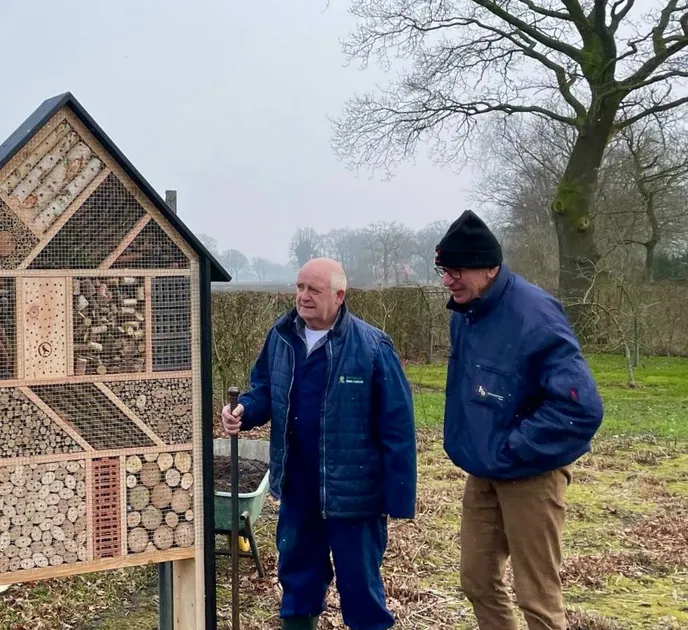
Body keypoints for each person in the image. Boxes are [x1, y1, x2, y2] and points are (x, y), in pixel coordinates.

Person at [221, 257, 417, 630]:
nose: (303, 296)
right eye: (299, 287)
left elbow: (398, 429)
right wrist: (244, 409)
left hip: (353, 495)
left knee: (361, 591)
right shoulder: (281, 338)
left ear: (339, 295)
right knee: (298, 581)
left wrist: (399, 497)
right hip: (299, 488)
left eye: (314, 290)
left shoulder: (373, 348)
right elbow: (265, 389)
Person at [435, 210, 603, 630]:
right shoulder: (468, 311)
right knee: (476, 580)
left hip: (532, 473)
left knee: (537, 598)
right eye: (442, 269)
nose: (447, 280)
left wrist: (515, 448)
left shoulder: (535, 315)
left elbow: (580, 406)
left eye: (456, 270)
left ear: (490, 267)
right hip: (485, 470)